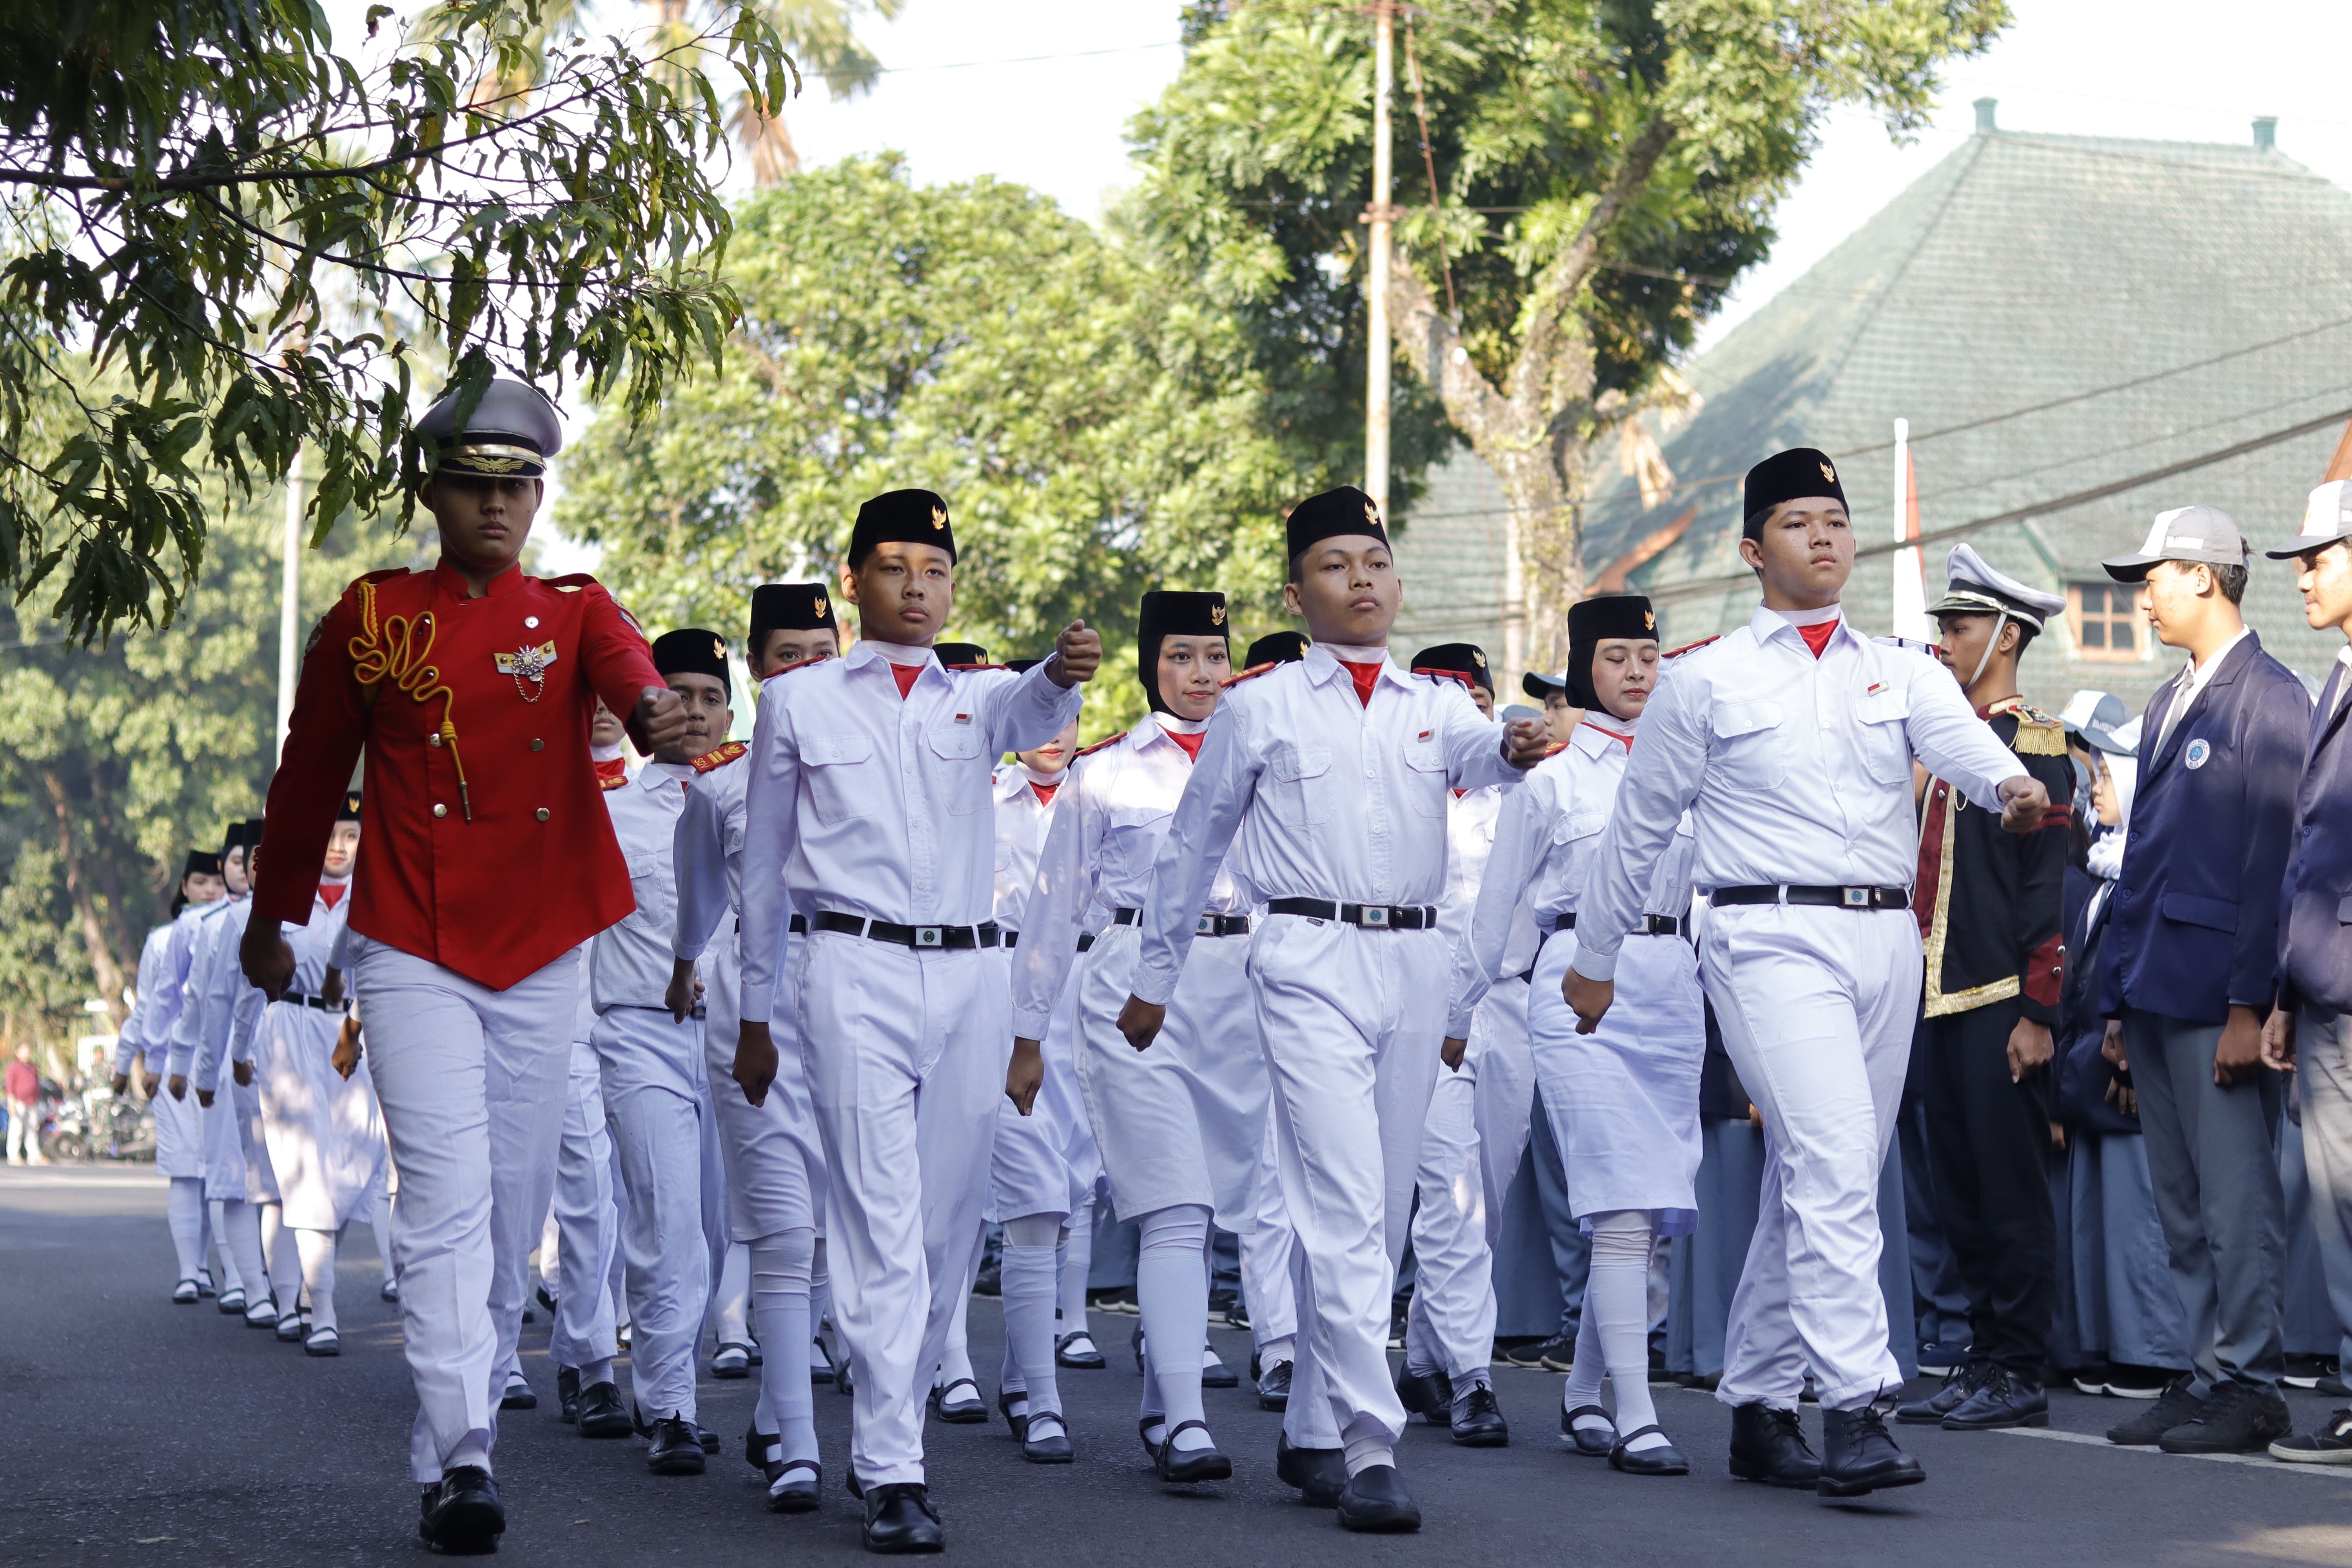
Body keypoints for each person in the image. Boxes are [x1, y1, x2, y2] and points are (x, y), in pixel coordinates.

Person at [241, 376, 689, 1555]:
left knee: (512, 1208)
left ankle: (465, 1423)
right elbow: (307, 776)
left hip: (542, 942)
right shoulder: (370, 618)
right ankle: (463, 1454)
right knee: (442, 1196)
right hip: (411, 940)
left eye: (518, 486)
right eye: (475, 485)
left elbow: (634, 682)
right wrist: (275, 915)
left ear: (539, 495)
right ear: (432, 492)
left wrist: (655, 717)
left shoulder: (576, 608)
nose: (498, 506)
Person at [1564, 447, 2050, 1499]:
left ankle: (1757, 1401)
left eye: (1835, 519)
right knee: (1832, 1164)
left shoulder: (1903, 667)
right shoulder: (1703, 679)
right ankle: (1857, 1404)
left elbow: (1964, 748)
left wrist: (2011, 787)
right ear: (1753, 550)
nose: (1823, 536)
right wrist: (1594, 959)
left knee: (1820, 1180)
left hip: (1883, 942)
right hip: (1765, 936)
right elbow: (1637, 833)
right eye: (1797, 522)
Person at [1122, 486, 1547, 1532]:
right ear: (1296, 592)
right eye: (1336, 565)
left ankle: (1312, 1424)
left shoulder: (1435, 703)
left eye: (1375, 560)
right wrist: (1153, 978)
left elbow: (1487, 756)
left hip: (1416, 956)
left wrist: (1524, 742)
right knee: (1347, 1203)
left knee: (1381, 1209)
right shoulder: (1259, 706)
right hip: (1306, 952)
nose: (1362, 579)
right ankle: (1368, 1445)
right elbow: (1193, 845)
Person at [730, 488, 1098, 1553]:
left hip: (969, 978)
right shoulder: (799, 704)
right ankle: (894, 1466)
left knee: (946, 1229)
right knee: (881, 1222)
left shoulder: (978, 697)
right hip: (850, 968)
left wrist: (1062, 671)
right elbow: (758, 872)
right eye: (894, 567)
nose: (918, 587)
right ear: (854, 583)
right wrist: (756, 1010)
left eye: (935, 570)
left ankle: (891, 1404)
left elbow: (1034, 711)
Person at [1014, 589, 1267, 1485]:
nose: (1201, 674)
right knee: (1175, 1204)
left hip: (1241, 990)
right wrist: (1027, 1034)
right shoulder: (1107, 771)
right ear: (1149, 664)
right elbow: (1054, 915)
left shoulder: (1265, 754)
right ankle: (1190, 1422)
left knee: (1202, 1213)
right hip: (1129, 989)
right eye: (1180, 657)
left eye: (1213, 656)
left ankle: (1165, 1410)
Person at [1454, 599, 1704, 1474]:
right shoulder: (1553, 780)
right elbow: (1494, 914)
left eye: (1649, 655)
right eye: (1617, 657)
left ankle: (1582, 1393)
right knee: (1622, 1201)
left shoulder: (1690, 774)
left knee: (1647, 1207)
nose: (1637, 671)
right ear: (1581, 670)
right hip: (1574, 988)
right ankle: (1636, 1413)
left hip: (1674, 986)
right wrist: (1458, 1016)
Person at [2093, 505, 2308, 1456]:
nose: (2142, 593)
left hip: (2215, 996)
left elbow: (2275, 864)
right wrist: (2113, 1000)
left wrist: (2246, 1003)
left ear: (2207, 579)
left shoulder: (2272, 696)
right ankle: (2207, 1369)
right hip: (2152, 989)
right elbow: (2142, 862)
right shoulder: (2168, 699)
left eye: (2157, 575)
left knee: (2236, 1204)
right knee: (2180, 1203)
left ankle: (2253, 1382)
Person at [1893, 546, 2076, 1432]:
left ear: (2005, 638)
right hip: (1941, 997)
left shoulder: (2034, 745)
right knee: (1960, 1193)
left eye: (1958, 627)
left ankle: (2021, 1364)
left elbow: (2049, 894)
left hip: (2002, 999)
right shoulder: (1952, 746)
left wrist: (2039, 1012)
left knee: (2009, 1192)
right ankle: (1982, 1351)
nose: (1944, 642)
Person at [671, 583, 842, 1512]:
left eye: (824, 648)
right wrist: (683, 965)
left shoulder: (876, 766)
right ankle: (800, 1447)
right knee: (781, 1233)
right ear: (760, 671)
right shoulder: (721, 783)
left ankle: (779, 1404)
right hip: (755, 1014)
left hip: (858, 1003)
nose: (809, 667)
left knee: (829, 1241)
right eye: (788, 654)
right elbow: (700, 895)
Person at [591, 626, 735, 1474]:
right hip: (640, 1030)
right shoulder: (609, 812)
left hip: (735, 1040)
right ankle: (672, 1408)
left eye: (713, 697)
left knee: (718, 1236)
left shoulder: (759, 796)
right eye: (678, 694)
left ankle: (667, 1383)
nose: (696, 712)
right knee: (667, 1223)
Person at [1397, 640, 1529, 1450]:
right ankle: (1476, 1377)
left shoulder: (1523, 788)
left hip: (1510, 1003)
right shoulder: (1406, 795)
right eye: (1451, 696)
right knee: (1450, 1196)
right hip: (1427, 1008)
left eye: (1478, 695)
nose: (1470, 710)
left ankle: (1422, 1356)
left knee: (1488, 1200)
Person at [2051, 701, 2188, 1399]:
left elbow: (2148, 961)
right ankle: (2105, 1342)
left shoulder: (2150, 866)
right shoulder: (2108, 866)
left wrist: (2133, 1043)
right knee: (2099, 1215)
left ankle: (2153, 1350)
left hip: (2126, 1072)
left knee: (2142, 1215)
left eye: (2106, 772)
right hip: (2090, 1073)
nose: (2095, 787)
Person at [975, 704, 1095, 1463]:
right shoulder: (986, 798)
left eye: (1070, 718)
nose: (1055, 734)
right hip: (998, 983)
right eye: (1042, 718)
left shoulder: (1105, 789)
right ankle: (1035, 1395)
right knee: (1031, 1189)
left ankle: (1025, 1376)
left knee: (1076, 1188)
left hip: (1093, 988)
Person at [2264, 481, 2352, 1461]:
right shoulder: (2334, 677)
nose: (2303, 572)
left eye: (2322, 554)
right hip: (2324, 984)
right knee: (2337, 1203)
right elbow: (2311, 848)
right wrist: (2287, 991)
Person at [232, 791, 383, 1356]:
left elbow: (375, 977)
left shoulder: (376, 894)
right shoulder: (285, 898)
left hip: (348, 1036)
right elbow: (255, 976)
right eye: (330, 835)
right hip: (289, 1034)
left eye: (351, 836)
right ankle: (322, 1308)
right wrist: (242, 1052)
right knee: (309, 1174)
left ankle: (312, 1289)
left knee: (351, 1169)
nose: (340, 847)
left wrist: (350, 1043)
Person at [118, 853, 221, 1298]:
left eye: (218, 881)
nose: (210, 890)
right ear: (184, 885)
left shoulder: (239, 925)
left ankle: (207, 1266)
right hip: (175, 1062)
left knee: (217, 1170)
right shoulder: (163, 939)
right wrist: (134, 1062)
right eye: (201, 882)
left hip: (221, 1061)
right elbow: (150, 1004)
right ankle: (188, 1271)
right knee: (185, 1169)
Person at [5, 1045, 38, 1165]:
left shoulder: (33, 1067)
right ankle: (13, 1155)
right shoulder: (14, 1067)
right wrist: (11, 1103)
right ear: (18, 1053)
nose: (27, 1055)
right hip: (19, 1102)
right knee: (17, 1129)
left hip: (32, 1102)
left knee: (32, 1129)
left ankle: (34, 1155)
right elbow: (9, 1087)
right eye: (24, 1053)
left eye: (28, 1052)